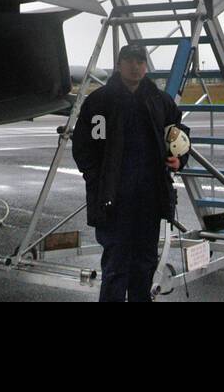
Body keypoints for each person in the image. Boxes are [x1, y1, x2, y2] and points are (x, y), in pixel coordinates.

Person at [72, 43, 186, 301]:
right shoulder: (99, 102)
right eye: (129, 60)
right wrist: (97, 180)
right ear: (119, 64)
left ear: (145, 65)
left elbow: (180, 135)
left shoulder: (160, 101)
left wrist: (180, 159)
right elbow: (82, 148)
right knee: (115, 266)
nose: (135, 66)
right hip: (114, 201)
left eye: (140, 61)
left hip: (149, 199)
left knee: (144, 266)